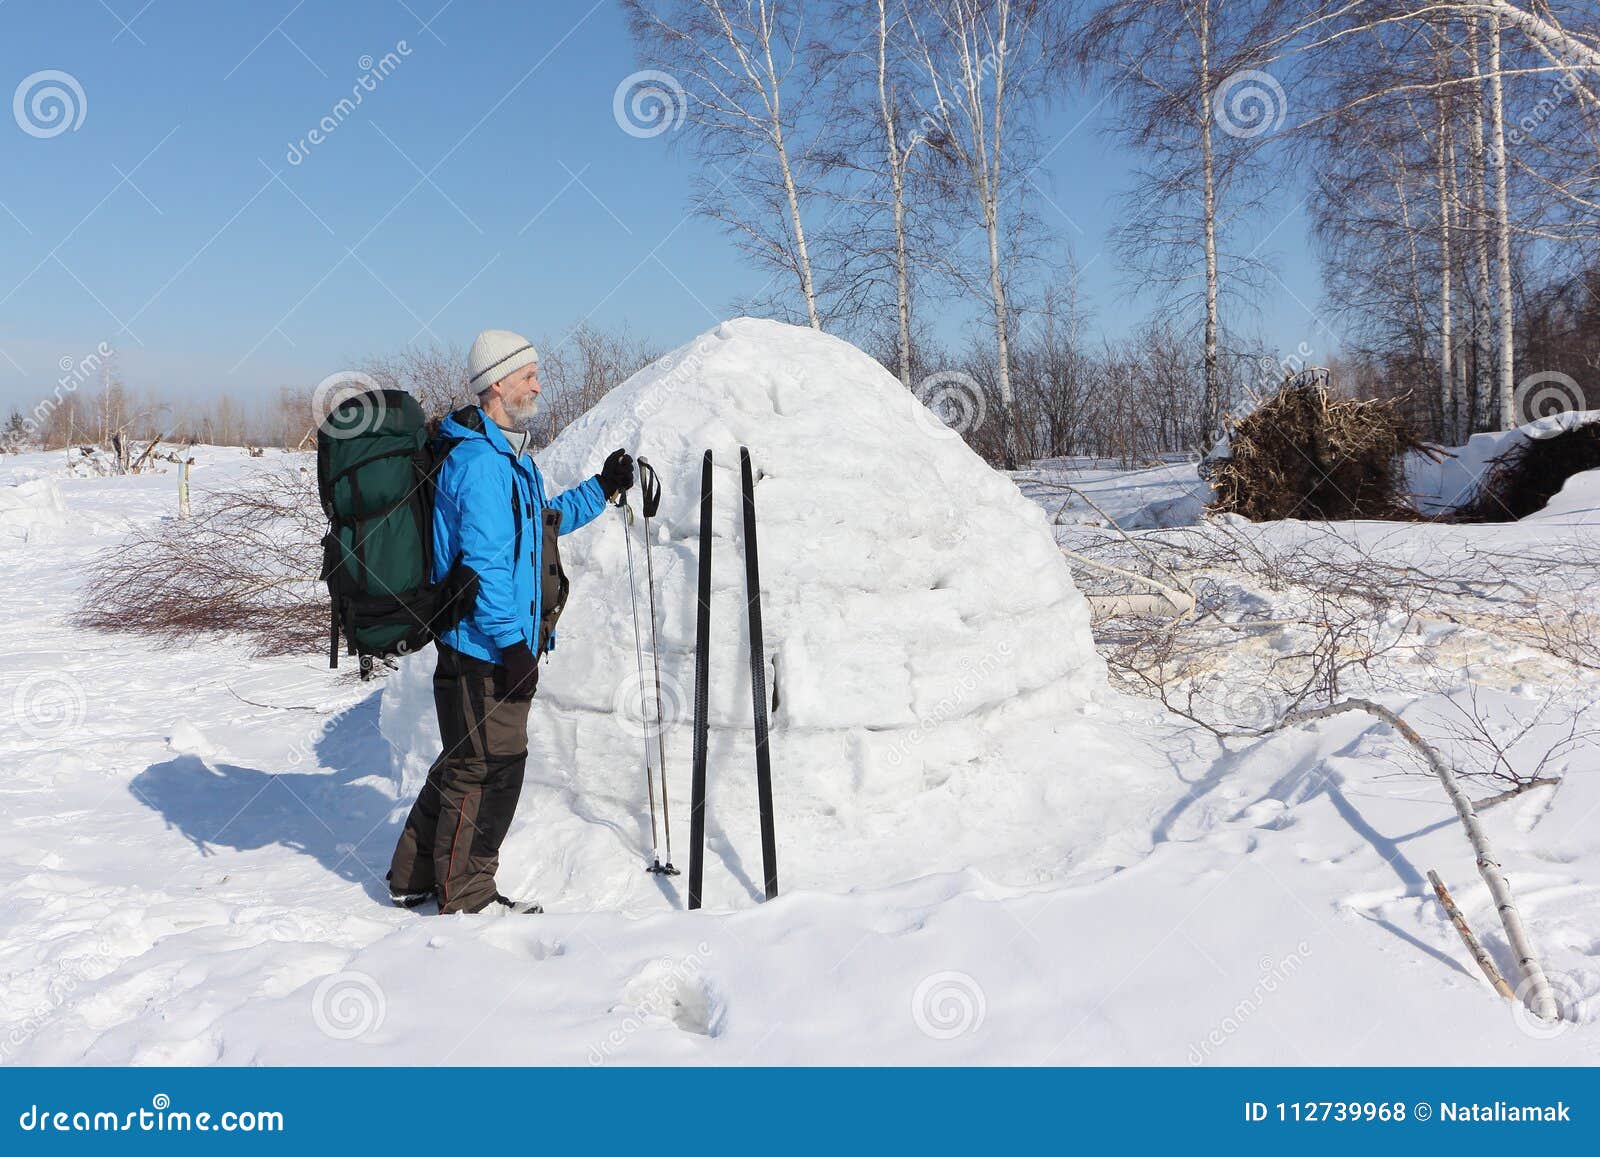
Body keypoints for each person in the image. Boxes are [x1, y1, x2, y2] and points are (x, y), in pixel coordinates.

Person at [386, 329, 633, 914]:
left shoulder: (509, 458)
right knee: (492, 770)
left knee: (464, 761)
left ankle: (413, 876)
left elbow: (541, 525)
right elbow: (486, 569)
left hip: (489, 645)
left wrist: (602, 488)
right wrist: (514, 648)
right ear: (497, 383)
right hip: (484, 650)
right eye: (528, 375)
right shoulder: (480, 464)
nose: (538, 384)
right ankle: (466, 895)